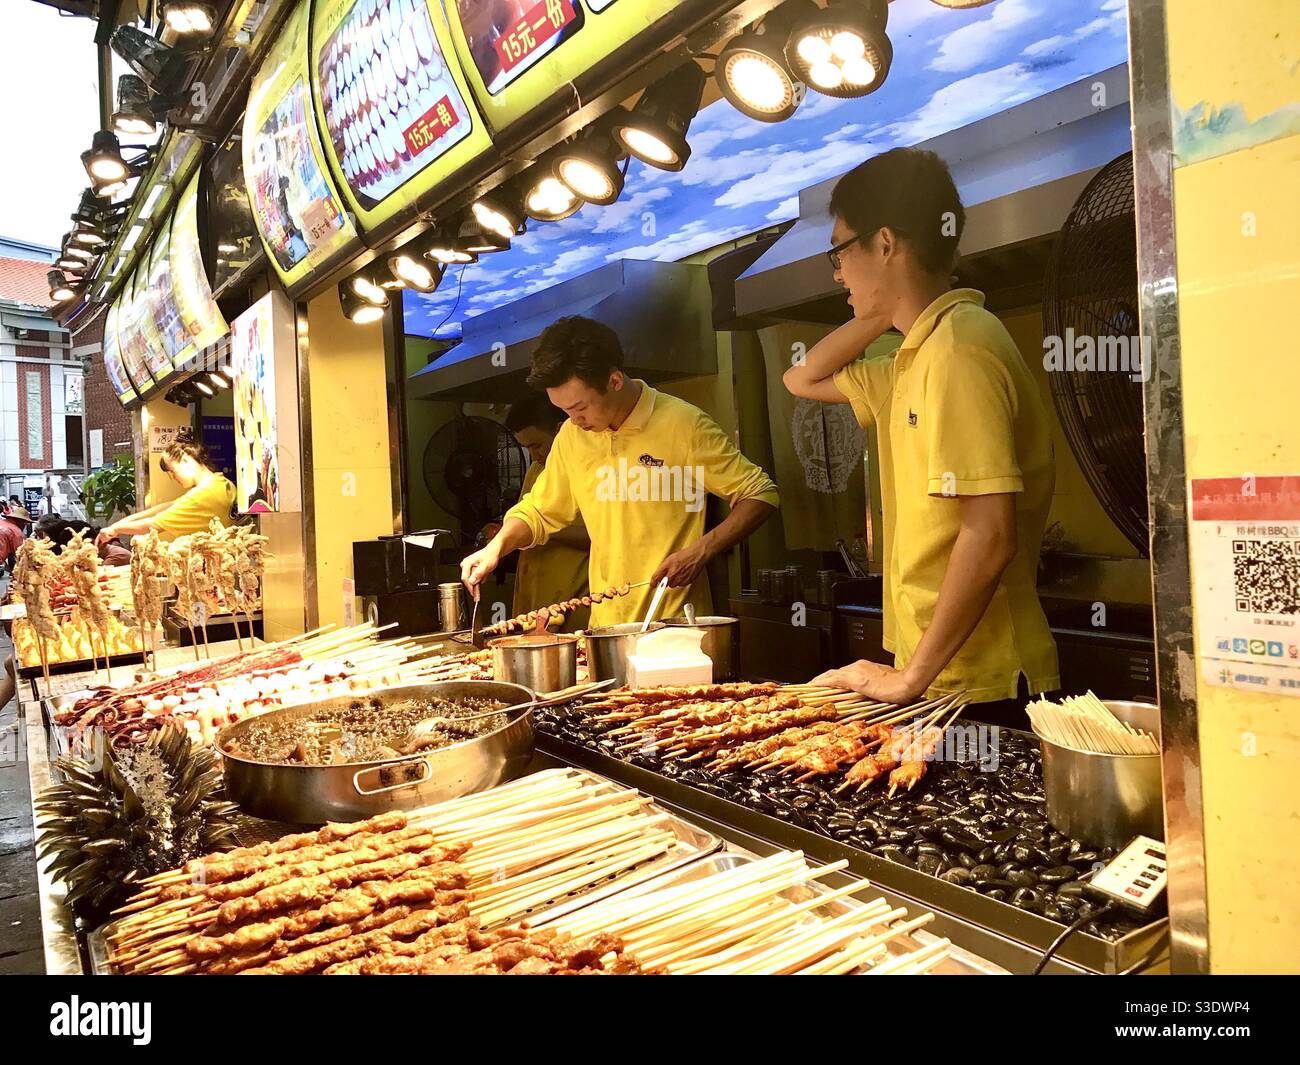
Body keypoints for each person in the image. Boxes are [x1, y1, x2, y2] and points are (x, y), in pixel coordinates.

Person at [784, 147, 1058, 726]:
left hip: (982, 683)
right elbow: (801, 377)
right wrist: (884, 308)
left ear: (884, 243)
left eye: (839, 253)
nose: (837, 275)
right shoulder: (912, 359)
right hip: (942, 676)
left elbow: (991, 534)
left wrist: (911, 677)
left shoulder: (959, 349)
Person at [461, 316, 780, 626]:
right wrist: (496, 548)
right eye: (564, 411)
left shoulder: (683, 424)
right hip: (606, 627)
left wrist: (701, 551)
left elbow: (760, 493)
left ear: (614, 381)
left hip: (675, 626)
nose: (574, 420)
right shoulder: (573, 437)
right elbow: (539, 512)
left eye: (580, 407)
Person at [501, 393, 590, 631]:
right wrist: (502, 537)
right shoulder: (536, 469)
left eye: (536, 445)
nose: (534, 454)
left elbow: (598, 537)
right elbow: (528, 514)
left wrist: (540, 533)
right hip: (534, 596)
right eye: (526, 447)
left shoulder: (588, 471)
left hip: (575, 597)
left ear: (562, 430)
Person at [97, 433, 236, 545]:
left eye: (172, 471)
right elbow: (169, 506)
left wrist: (115, 529)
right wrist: (120, 523)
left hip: (214, 567)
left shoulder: (204, 494)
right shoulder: (220, 482)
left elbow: (153, 524)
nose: (173, 477)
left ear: (186, 460)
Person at [0, 506, 27, 572]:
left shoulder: (1, 522)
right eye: (25, 522)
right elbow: (19, 554)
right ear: (20, 521)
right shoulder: (16, 531)